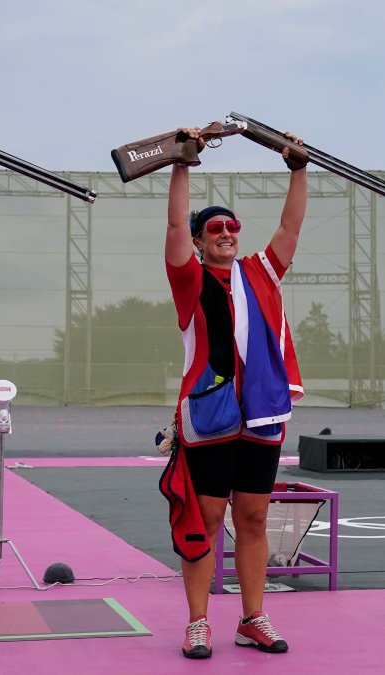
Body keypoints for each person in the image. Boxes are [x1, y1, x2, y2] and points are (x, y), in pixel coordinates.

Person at [159, 127, 307, 659]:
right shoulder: (189, 279)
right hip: (209, 416)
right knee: (206, 521)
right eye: (215, 228)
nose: (226, 233)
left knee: (253, 520)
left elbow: (291, 226)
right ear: (199, 241)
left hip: (262, 416)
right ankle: (198, 623)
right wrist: (181, 163)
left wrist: (298, 169)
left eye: (233, 226)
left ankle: (252, 618)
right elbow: (174, 224)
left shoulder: (262, 272)